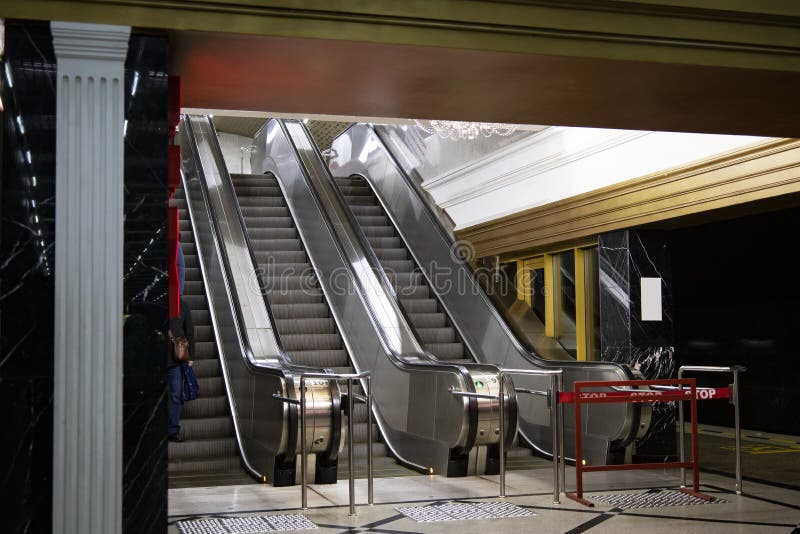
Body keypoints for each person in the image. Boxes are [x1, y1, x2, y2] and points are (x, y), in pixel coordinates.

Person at [168, 298, 194, 442]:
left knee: (177, 394)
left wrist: (191, 355)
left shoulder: (182, 304)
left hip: (175, 359)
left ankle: (173, 430)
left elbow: (190, 331)